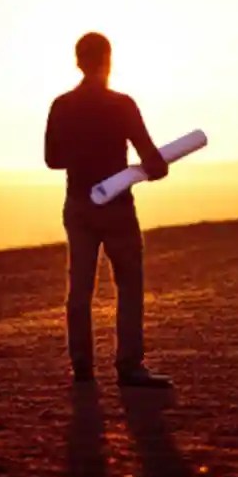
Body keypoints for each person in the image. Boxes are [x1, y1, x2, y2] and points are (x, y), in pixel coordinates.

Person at [45, 31, 172, 388]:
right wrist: (155, 167)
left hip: (79, 203)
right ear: (108, 60)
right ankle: (129, 365)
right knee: (129, 284)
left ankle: (82, 367)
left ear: (78, 61)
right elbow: (153, 161)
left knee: (80, 287)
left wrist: (81, 155)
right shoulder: (122, 105)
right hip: (117, 206)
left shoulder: (61, 105)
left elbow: (52, 160)